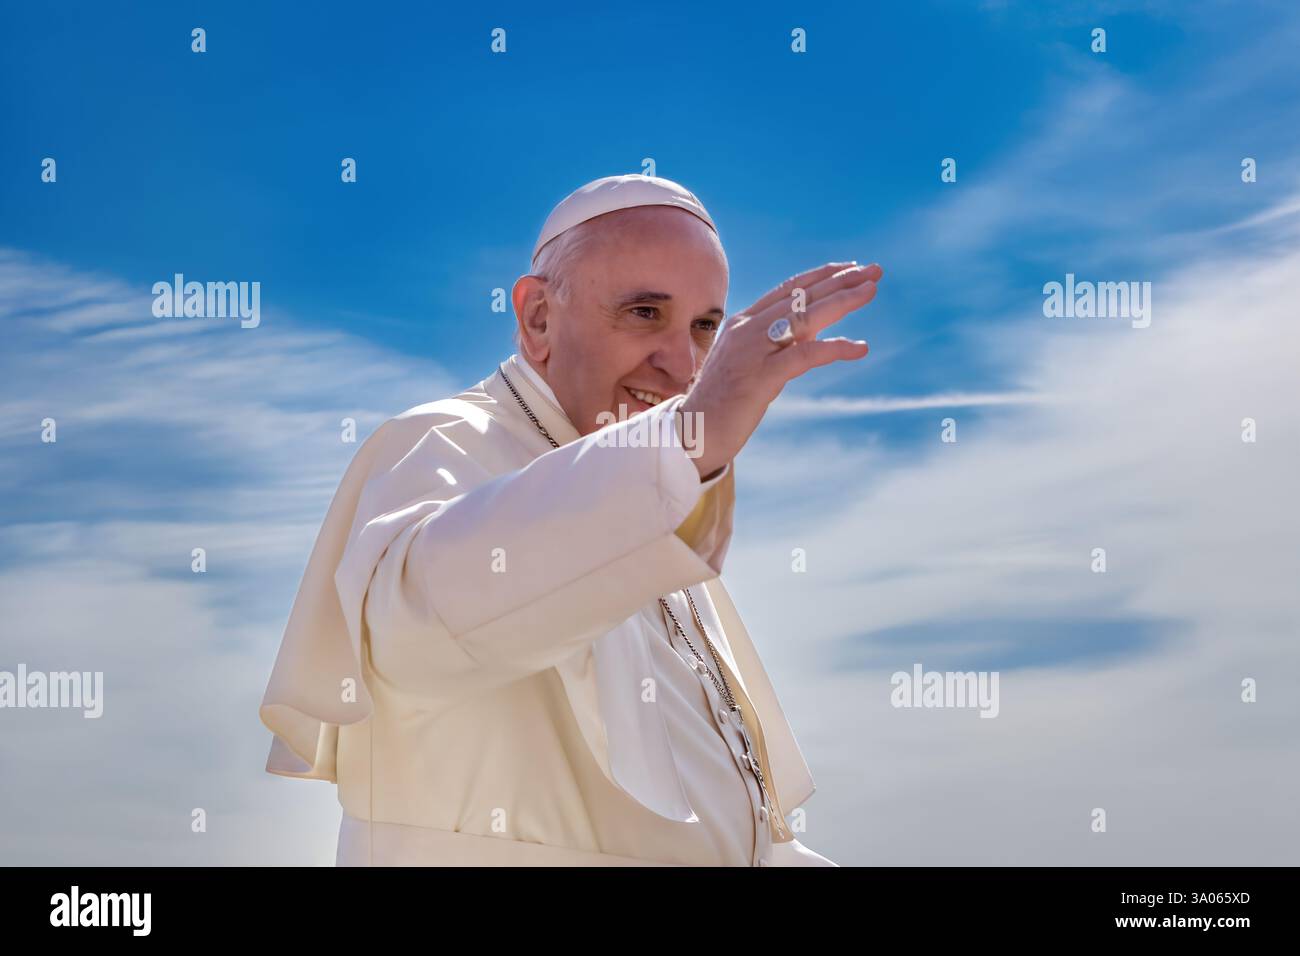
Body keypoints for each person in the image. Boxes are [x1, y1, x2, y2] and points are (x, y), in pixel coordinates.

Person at [259, 173, 883, 865]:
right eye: (645, 313)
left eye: (706, 327)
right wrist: (691, 439)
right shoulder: (440, 443)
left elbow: (719, 833)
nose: (683, 368)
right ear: (538, 319)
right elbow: (414, 630)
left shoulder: (658, 503)